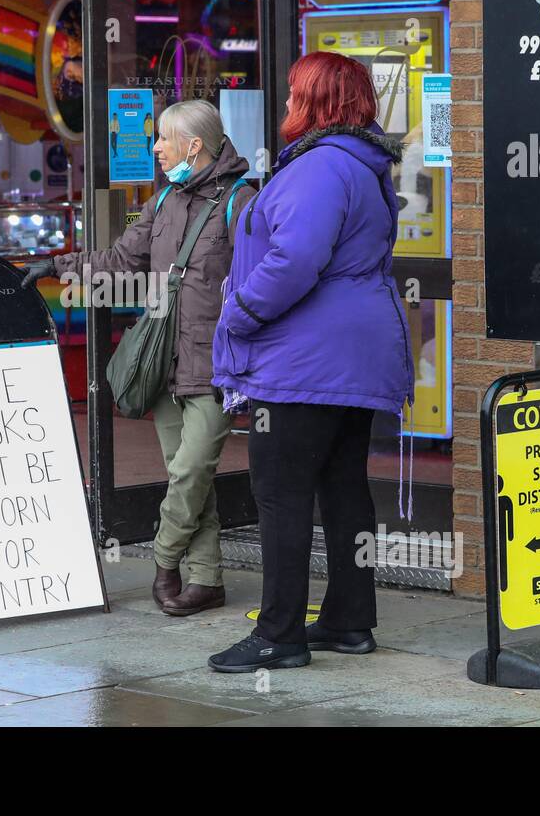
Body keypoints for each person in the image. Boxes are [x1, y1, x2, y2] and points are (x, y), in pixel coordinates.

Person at [208, 51, 413, 672]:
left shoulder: (319, 167)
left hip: (304, 360)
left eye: (294, 91)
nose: (286, 103)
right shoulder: (361, 163)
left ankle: (278, 635)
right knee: (345, 488)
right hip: (352, 355)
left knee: (281, 495)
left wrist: (239, 312)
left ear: (313, 101)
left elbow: (295, 261)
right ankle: (350, 621)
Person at [23, 100, 255, 616]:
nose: (156, 147)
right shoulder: (164, 200)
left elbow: (263, 284)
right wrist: (55, 265)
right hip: (164, 362)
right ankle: (207, 580)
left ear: (194, 145)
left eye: (165, 138)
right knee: (185, 476)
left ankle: (165, 558)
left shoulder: (243, 203)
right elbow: (120, 261)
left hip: (218, 366)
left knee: (193, 470)